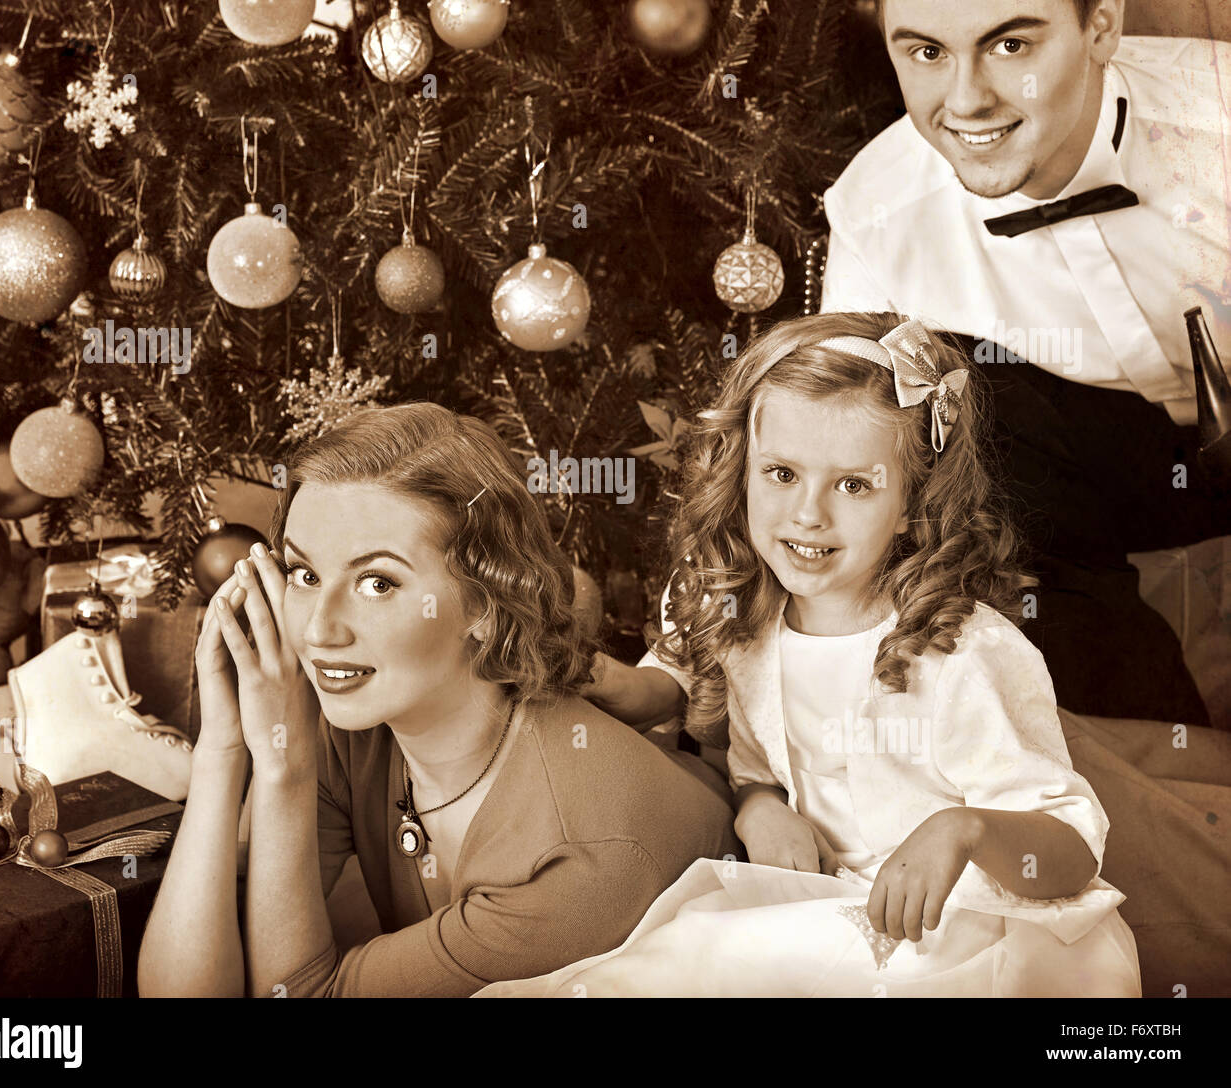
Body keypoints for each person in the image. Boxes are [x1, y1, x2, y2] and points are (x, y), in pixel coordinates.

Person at [479, 313, 1141, 996]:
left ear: (915, 502)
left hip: (963, 927)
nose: (808, 515)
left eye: (854, 484)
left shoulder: (967, 652)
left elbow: (1070, 854)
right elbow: (741, 753)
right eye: (782, 473)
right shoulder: (745, 613)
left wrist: (963, 829)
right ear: (741, 471)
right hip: (816, 904)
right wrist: (758, 808)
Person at [137, 403, 740, 998]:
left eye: (378, 583)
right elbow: (191, 986)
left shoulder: (578, 859)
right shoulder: (353, 722)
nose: (320, 630)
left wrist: (285, 765)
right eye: (304, 574)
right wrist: (222, 747)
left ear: (484, 602)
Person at [820, 0, 1231, 724]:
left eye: (1011, 46)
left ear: (1101, 26)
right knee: (951, 412)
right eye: (927, 53)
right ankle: (1150, 770)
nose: (967, 100)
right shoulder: (878, 212)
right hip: (1091, 490)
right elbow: (829, 455)